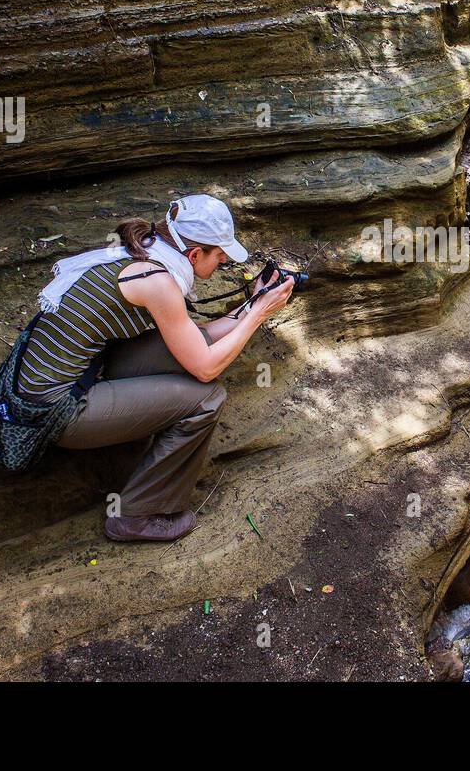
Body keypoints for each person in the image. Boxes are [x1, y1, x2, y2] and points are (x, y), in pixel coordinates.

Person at [16, 194, 294, 542]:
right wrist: (259, 314)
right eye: (220, 256)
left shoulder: (145, 252)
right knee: (206, 398)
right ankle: (134, 516)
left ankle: (133, 451)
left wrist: (253, 302)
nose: (223, 262)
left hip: (76, 375)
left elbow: (197, 339)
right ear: (194, 255)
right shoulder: (159, 282)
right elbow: (206, 369)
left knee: (186, 351)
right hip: (53, 410)